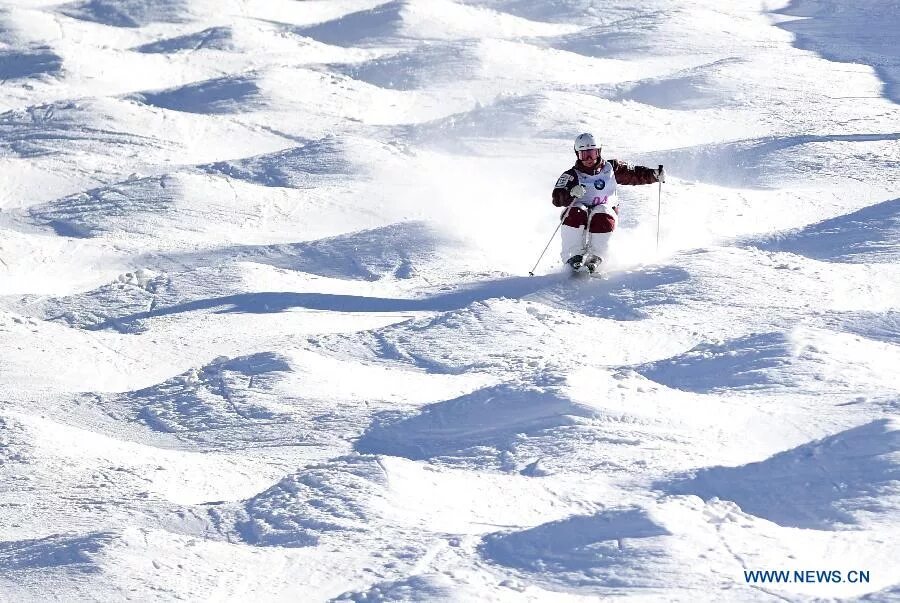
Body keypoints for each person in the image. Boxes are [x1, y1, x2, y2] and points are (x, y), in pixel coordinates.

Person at [551, 133, 665, 272]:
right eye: (583, 154)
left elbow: (634, 173)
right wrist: (570, 193)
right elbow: (557, 198)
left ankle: (597, 256)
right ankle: (573, 255)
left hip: (605, 214)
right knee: (576, 211)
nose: (588, 159)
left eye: (592, 153)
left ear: (598, 152)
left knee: (602, 213)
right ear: (577, 154)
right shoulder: (571, 175)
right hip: (580, 215)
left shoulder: (611, 168)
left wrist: (653, 174)